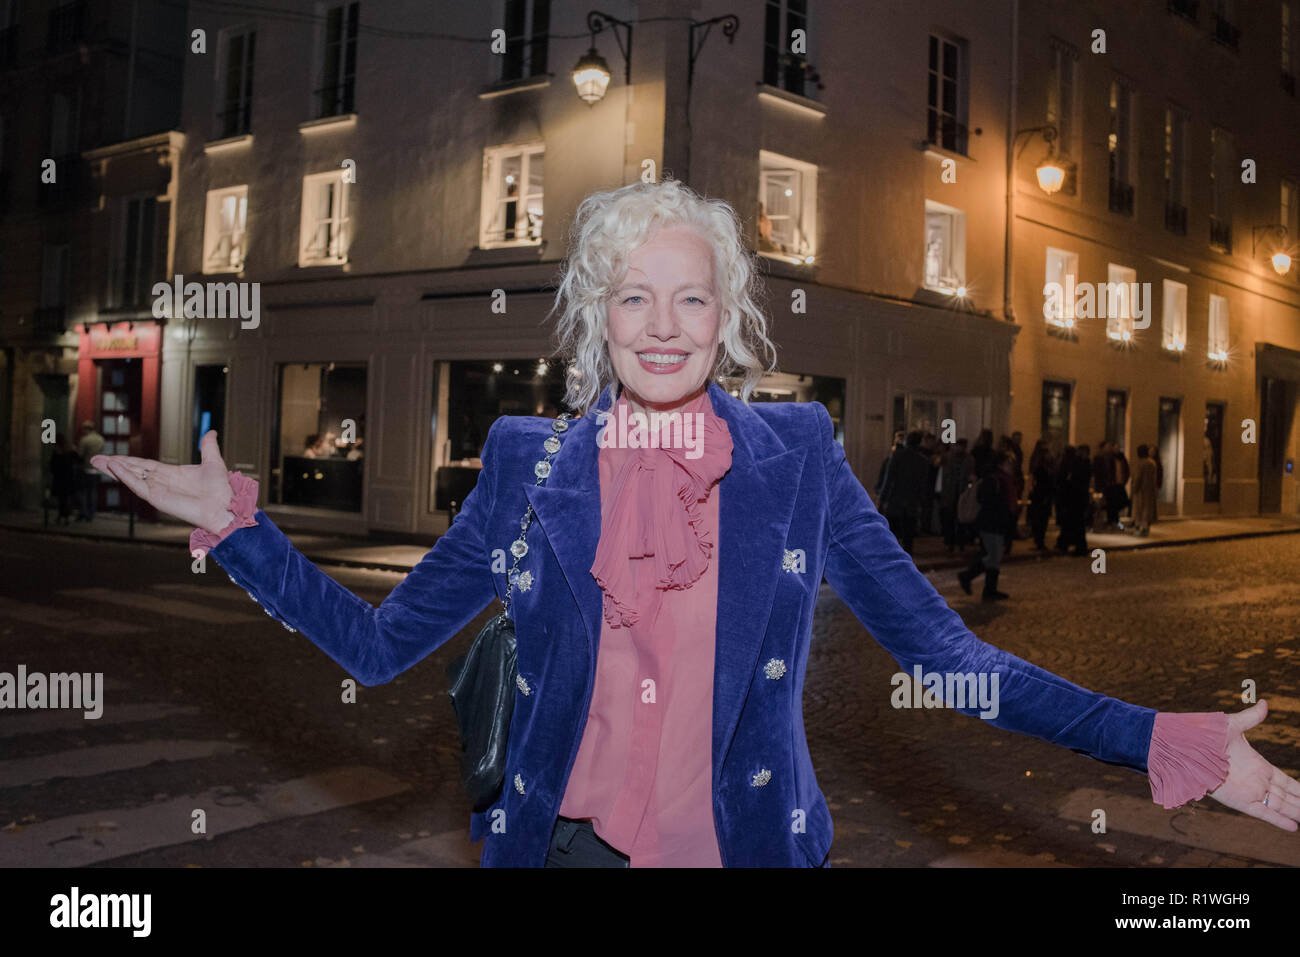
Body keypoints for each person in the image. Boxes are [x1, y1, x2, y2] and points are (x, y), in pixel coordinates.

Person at [90, 177, 1300, 868]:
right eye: (633, 296)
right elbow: (380, 647)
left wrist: (1164, 743)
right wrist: (241, 532)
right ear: (594, 314)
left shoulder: (799, 458)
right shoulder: (527, 462)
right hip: (562, 852)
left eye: (690, 297)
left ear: (727, 316)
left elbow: (950, 659)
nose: (662, 325)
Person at [957, 450, 1012, 601]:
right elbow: (987, 501)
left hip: (994, 523)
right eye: (1008, 463)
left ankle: (989, 589)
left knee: (993, 556)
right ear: (1001, 464)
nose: (1011, 466)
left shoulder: (1000, 479)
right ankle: (968, 576)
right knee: (992, 556)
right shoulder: (994, 479)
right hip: (991, 523)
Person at [878, 430, 930, 555]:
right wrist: (923, 503)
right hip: (911, 503)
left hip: (895, 501)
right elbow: (923, 485)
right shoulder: (922, 461)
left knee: (892, 533)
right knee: (908, 537)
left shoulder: (897, 456)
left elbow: (889, 479)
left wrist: (882, 499)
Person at [1026, 439, 1055, 551]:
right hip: (1041, 493)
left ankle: (1039, 540)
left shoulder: (1042, 466)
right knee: (1040, 518)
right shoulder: (1041, 467)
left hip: (1041, 493)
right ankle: (1039, 541)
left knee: (1040, 518)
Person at [76, 420, 106, 521]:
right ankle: (91, 513)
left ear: (86, 429)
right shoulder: (100, 439)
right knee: (93, 492)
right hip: (97, 469)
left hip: (86, 468)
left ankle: (84, 512)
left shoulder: (85, 440)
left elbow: (80, 455)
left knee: (83, 491)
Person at [49, 434, 79, 525]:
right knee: (66, 499)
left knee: (61, 499)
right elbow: (78, 460)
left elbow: (52, 466)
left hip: (59, 478)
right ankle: (65, 517)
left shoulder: (57, 452)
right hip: (68, 478)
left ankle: (61, 516)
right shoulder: (70, 451)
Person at [1130, 444, 1159, 537]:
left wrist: (1134, 488)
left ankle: (1140, 529)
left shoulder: (1140, 463)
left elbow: (1138, 478)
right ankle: (1146, 528)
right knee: (1147, 510)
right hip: (1150, 490)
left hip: (1141, 491)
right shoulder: (1152, 463)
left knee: (1139, 510)